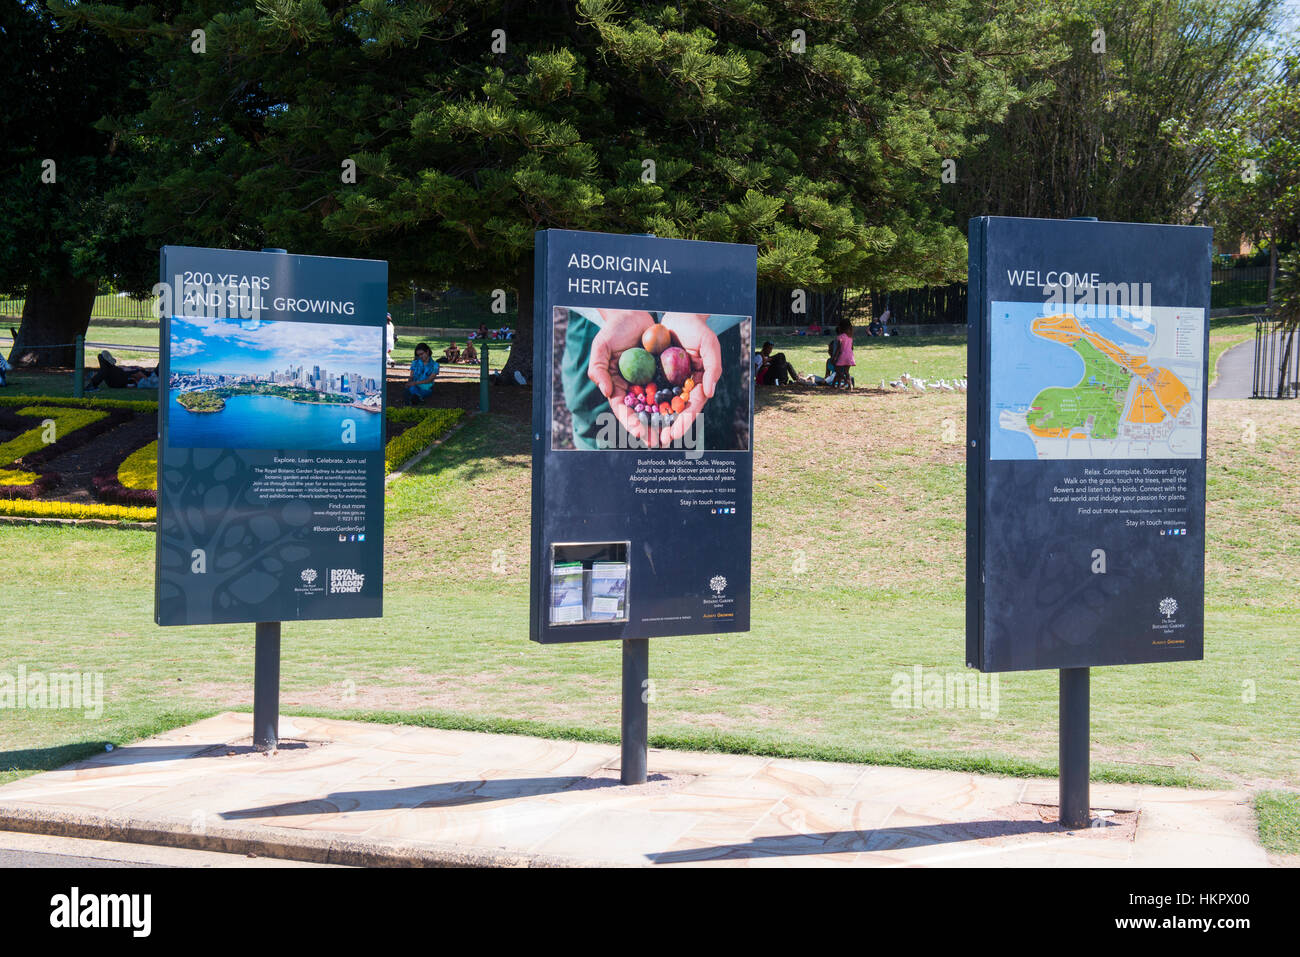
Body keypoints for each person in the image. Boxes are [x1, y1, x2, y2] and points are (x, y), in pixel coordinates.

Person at [830, 319, 855, 388]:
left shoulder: (840, 337)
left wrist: (834, 357)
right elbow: (852, 348)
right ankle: (849, 386)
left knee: (838, 371)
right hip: (850, 356)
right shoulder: (850, 338)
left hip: (842, 356)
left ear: (840, 328)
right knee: (846, 372)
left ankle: (842, 383)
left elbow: (839, 348)